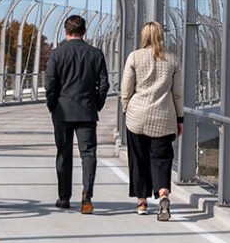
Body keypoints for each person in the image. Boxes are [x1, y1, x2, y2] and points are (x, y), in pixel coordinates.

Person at [43, 13, 109, 213]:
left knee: (63, 153)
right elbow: (104, 85)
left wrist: (52, 105)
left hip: (62, 112)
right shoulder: (96, 54)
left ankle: (64, 197)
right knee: (88, 154)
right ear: (84, 31)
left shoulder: (57, 53)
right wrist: (96, 104)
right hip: (87, 112)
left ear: (65, 31)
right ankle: (87, 195)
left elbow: (50, 84)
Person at [121, 20, 183, 220]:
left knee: (138, 160)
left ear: (144, 36)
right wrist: (180, 118)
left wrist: (126, 109)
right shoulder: (173, 60)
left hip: (137, 116)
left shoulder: (134, 57)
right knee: (162, 159)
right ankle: (163, 193)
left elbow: (126, 89)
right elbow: (178, 94)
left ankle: (141, 202)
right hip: (164, 117)